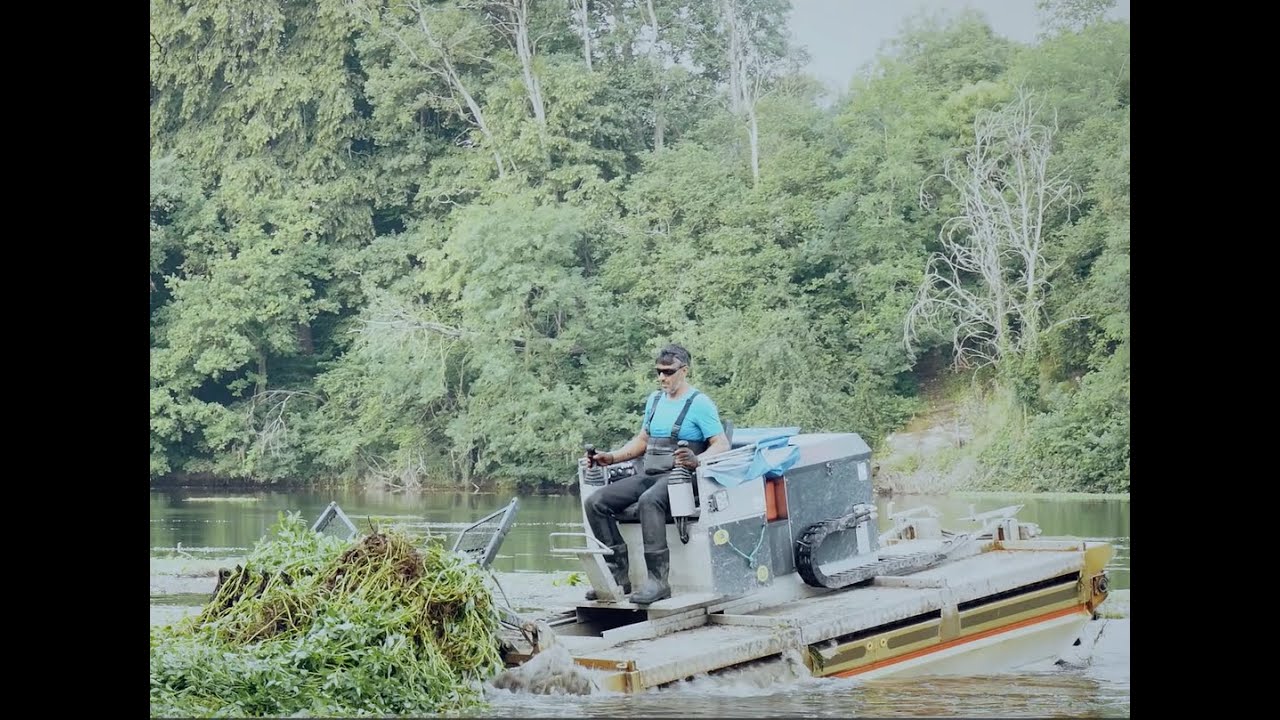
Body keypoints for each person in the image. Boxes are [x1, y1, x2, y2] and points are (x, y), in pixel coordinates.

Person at [583, 343, 731, 605]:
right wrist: (612, 457)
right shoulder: (654, 401)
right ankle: (618, 577)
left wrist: (698, 460)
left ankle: (658, 582)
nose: (662, 377)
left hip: (681, 478)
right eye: (659, 372)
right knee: (595, 502)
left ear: (683, 371)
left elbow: (721, 443)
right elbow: (642, 440)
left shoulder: (700, 403)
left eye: (668, 372)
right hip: (650, 474)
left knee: (649, 501)